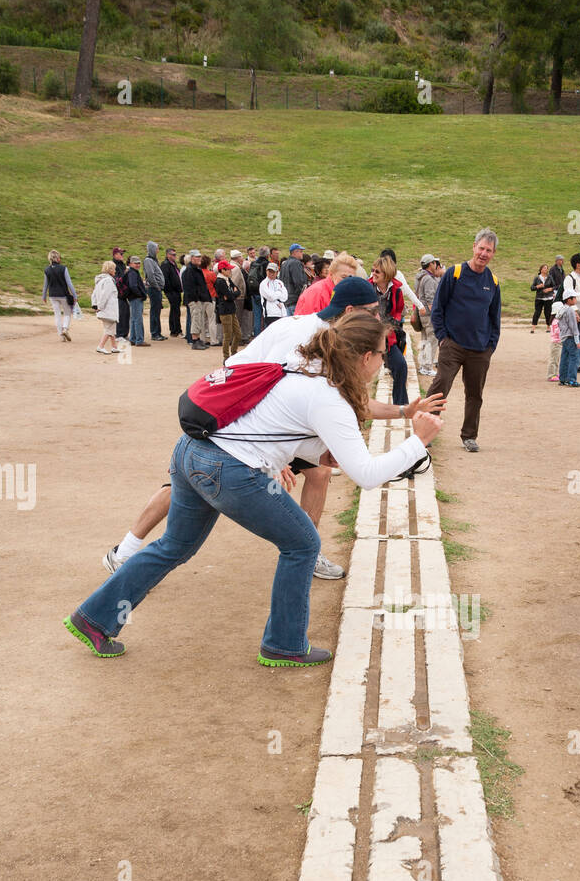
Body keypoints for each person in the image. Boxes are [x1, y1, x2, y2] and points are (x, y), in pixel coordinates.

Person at [64, 312, 443, 665]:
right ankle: (285, 643)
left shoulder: (305, 369)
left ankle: (94, 618)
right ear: (364, 357)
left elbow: (276, 425)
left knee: (174, 545)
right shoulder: (329, 396)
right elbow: (367, 474)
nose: (384, 360)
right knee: (303, 544)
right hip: (228, 469)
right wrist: (418, 441)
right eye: (383, 352)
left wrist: (315, 454)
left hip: (191, 452)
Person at [102, 278, 445, 583]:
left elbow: (340, 404)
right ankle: (126, 550)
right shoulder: (305, 337)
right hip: (236, 427)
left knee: (320, 473)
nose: (376, 317)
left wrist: (402, 411)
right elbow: (264, 391)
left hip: (264, 432)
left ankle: (307, 552)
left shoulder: (334, 343)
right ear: (351, 311)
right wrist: (272, 454)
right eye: (372, 310)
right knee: (181, 488)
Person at [428, 228, 501, 453]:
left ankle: (469, 435)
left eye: (489, 250)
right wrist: (442, 338)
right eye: (481, 248)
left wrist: (491, 345)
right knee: (440, 387)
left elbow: (494, 316)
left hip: (480, 349)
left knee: (475, 395)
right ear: (473, 247)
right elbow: (437, 308)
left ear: (493, 253)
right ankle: (426, 431)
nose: (484, 254)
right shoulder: (455, 273)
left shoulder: (493, 282)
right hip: (453, 345)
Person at [370, 254, 408, 406]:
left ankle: (400, 406)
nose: (373, 274)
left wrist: (394, 322)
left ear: (387, 274)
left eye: (377, 272)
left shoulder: (396, 291)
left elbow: (399, 310)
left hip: (388, 337)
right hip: (369, 336)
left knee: (401, 366)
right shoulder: (367, 287)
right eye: (373, 270)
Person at [379, 248, 427, 318]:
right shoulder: (377, 274)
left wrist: (420, 306)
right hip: (387, 312)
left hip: (392, 312)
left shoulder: (397, 274)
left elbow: (407, 291)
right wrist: (420, 306)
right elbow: (407, 291)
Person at [414, 254, 442, 375]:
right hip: (429, 314)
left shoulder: (421, 277)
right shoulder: (429, 279)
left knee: (425, 339)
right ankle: (427, 367)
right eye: (435, 263)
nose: (436, 265)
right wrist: (437, 316)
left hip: (423, 314)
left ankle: (423, 365)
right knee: (432, 340)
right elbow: (431, 300)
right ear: (431, 264)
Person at [42, 250, 78, 342]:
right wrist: (75, 295)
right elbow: (69, 283)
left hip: (52, 295)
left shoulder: (47, 270)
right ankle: (65, 329)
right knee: (67, 313)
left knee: (57, 315)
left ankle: (61, 335)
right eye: (59, 257)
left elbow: (45, 284)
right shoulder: (63, 268)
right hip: (63, 295)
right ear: (57, 258)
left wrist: (44, 296)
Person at [181, 249, 212, 350]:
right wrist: (195, 299)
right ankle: (194, 340)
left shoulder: (196, 269)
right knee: (196, 319)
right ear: (191, 258)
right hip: (194, 300)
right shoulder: (189, 271)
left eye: (199, 257)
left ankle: (198, 339)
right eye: (196, 257)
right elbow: (189, 287)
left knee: (199, 319)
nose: (199, 259)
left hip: (199, 299)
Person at [214, 259, 242, 360]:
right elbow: (229, 295)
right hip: (225, 311)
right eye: (228, 270)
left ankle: (234, 353)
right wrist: (233, 294)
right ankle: (226, 357)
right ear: (222, 270)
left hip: (231, 309)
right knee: (228, 335)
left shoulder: (227, 279)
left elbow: (237, 291)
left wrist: (232, 294)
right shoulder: (220, 281)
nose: (230, 271)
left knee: (238, 334)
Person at [91, 260, 119, 354]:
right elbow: (105, 295)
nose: (115, 271)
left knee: (111, 327)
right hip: (108, 309)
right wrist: (100, 307)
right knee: (109, 329)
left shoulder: (100, 281)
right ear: (110, 270)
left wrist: (95, 305)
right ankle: (101, 346)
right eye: (114, 269)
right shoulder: (108, 281)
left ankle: (114, 346)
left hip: (104, 309)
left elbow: (94, 294)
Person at [552, 298, 580, 387]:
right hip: (570, 336)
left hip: (564, 336)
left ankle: (563, 379)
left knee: (564, 357)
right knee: (574, 358)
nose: (576, 300)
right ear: (569, 299)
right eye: (574, 298)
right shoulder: (570, 311)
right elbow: (573, 326)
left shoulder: (562, 309)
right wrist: (577, 339)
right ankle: (571, 379)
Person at [144, 241, 167, 341]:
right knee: (154, 311)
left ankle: (158, 332)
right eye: (156, 248)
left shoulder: (153, 260)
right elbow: (150, 275)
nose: (158, 250)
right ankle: (155, 333)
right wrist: (157, 286)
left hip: (156, 288)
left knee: (157, 311)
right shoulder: (148, 260)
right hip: (154, 289)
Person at [125, 254, 149, 347]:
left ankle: (133, 339)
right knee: (137, 319)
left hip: (133, 298)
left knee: (134, 319)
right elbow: (133, 286)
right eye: (136, 263)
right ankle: (139, 340)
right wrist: (140, 294)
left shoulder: (132, 272)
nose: (138, 265)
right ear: (130, 264)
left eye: (139, 263)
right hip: (135, 298)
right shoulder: (132, 273)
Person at [280, 243, 310, 315]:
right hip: (295, 301)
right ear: (295, 252)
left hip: (286, 300)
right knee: (297, 324)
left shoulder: (284, 264)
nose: (302, 253)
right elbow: (299, 282)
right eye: (300, 251)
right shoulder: (296, 263)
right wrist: (302, 297)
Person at [228, 250, 251, 342]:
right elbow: (234, 283)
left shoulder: (233, 266)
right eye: (241, 257)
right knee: (237, 318)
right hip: (238, 298)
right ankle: (235, 339)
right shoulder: (236, 268)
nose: (242, 258)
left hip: (237, 297)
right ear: (238, 258)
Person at [247, 246, 270, 335]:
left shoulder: (253, 263)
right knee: (265, 316)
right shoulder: (267, 264)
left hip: (254, 293)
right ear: (268, 255)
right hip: (263, 294)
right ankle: (265, 337)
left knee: (256, 317)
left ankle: (257, 337)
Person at [161, 247, 183, 337]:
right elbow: (165, 279)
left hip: (176, 290)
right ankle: (175, 330)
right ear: (168, 255)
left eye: (175, 254)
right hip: (171, 291)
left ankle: (175, 329)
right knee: (175, 310)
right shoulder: (165, 264)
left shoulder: (173, 264)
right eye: (173, 254)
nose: (175, 256)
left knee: (175, 310)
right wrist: (170, 289)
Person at [201, 254, 222, 346]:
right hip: (211, 298)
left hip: (200, 299)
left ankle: (202, 339)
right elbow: (216, 284)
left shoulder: (198, 273)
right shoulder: (210, 274)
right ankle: (213, 340)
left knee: (202, 320)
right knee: (212, 320)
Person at [259, 262, 289, 327]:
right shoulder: (263, 284)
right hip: (270, 314)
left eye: (273, 272)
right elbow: (270, 297)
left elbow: (285, 297)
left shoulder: (280, 282)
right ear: (266, 271)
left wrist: (276, 295)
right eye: (269, 271)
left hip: (282, 313)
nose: (271, 273)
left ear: (277, 272)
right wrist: (279, 292)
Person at [112, 247, 129, 342]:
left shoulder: (122, 264)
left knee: (126, 313)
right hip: (118, 293)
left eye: (122, 254)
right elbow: (117, 279)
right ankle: (119, 334)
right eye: (120, 254)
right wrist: (125, 273)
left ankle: (124, 334)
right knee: (121, 313)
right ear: (115, 255)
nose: (122, 255)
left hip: (124, 292)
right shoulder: (113, 265)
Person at [530, 263, 554, 332]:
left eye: (546, 268)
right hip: (539, 298)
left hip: (548, 298)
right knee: (537, 313)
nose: (545, 269)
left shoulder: (550, 277)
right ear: (541, 270)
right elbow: (532, 288)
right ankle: (533, 328)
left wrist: (549, 289)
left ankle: (548, 327)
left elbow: (554, 286)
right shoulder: (537, 278)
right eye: (544, 268)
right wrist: (538, 286)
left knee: (548, 313)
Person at [546, 308, 562, 381]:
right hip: (556, 343)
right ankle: (551, 375)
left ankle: (555, 373)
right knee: (554, 359)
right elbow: (557, 331)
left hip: (558, 342)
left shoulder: (556, 321)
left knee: (556, 359)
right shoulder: (556, 321)